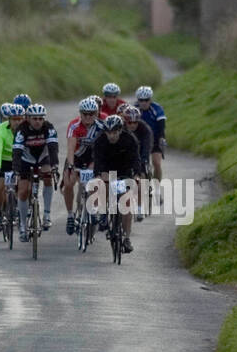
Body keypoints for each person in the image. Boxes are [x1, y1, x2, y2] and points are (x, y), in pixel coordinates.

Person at [91, 113, 141, 254]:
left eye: (114, 132)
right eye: (108, 132)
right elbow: (98, 161)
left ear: (120, 130)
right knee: (103, 185)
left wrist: (136, 175)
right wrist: (99, 174)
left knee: (126, 203)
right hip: (107, 169)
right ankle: (104, 213)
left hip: (124, 171)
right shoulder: (100, 140)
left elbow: (136, 160)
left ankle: (126, 237)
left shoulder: (130, 139)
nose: (111, 136)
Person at [12, 103, 59, 242]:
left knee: (48, 177)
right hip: (26, 160)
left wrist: (55, 165)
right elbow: (17, 152)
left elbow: (53, 148)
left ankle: (47, 215)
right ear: (28, 119)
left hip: (43, 157)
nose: (38, 121)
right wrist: (16, 170)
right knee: (23, 191)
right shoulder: (22, 130)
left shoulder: (49, 128)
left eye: (40, 118)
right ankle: (22, 225)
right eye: (34, 118)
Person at [61, 97, 100, 235]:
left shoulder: (101, 127)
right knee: (69, 183)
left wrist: (94, 166)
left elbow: (101, 150)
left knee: (95, 183)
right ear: (80, 114)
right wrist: (70, 166)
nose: (88, 117)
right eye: (85, 114)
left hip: (92, 159)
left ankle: (94, 211)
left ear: (96, 114)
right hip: (76, 158)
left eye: (91, 114)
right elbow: (71, 149)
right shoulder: (74, 125)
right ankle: (71, 215)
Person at [0, 104, 24, 232]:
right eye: (14, 119)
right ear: (9, 120)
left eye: (20, 119)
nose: (18, 122)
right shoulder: (0, 131)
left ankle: (22, 208)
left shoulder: (27, 130)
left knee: (25, 184)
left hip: (19, 160)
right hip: (4, 160)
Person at [121, 105, 153, 221]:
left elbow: (147, 147)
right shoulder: (120, 129)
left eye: (135, 122)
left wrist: (143, 162)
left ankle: (139, 208)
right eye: (130, 123)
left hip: (140, 156)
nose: (133, 125)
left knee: (141, 178)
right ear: (125, 122)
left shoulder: (145, 129)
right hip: (125, 157)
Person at [134, 86, 167, 187]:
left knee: (156, 163)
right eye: (141, 100)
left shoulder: (157, 109)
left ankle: (157, 186)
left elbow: (161, 127)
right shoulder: (134, 109)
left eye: (146, 100)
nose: (144, 102)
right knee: (140, 164)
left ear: (150, 99)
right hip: (140, 140)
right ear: (138, 100)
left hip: (156, 138)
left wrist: (162, 139)